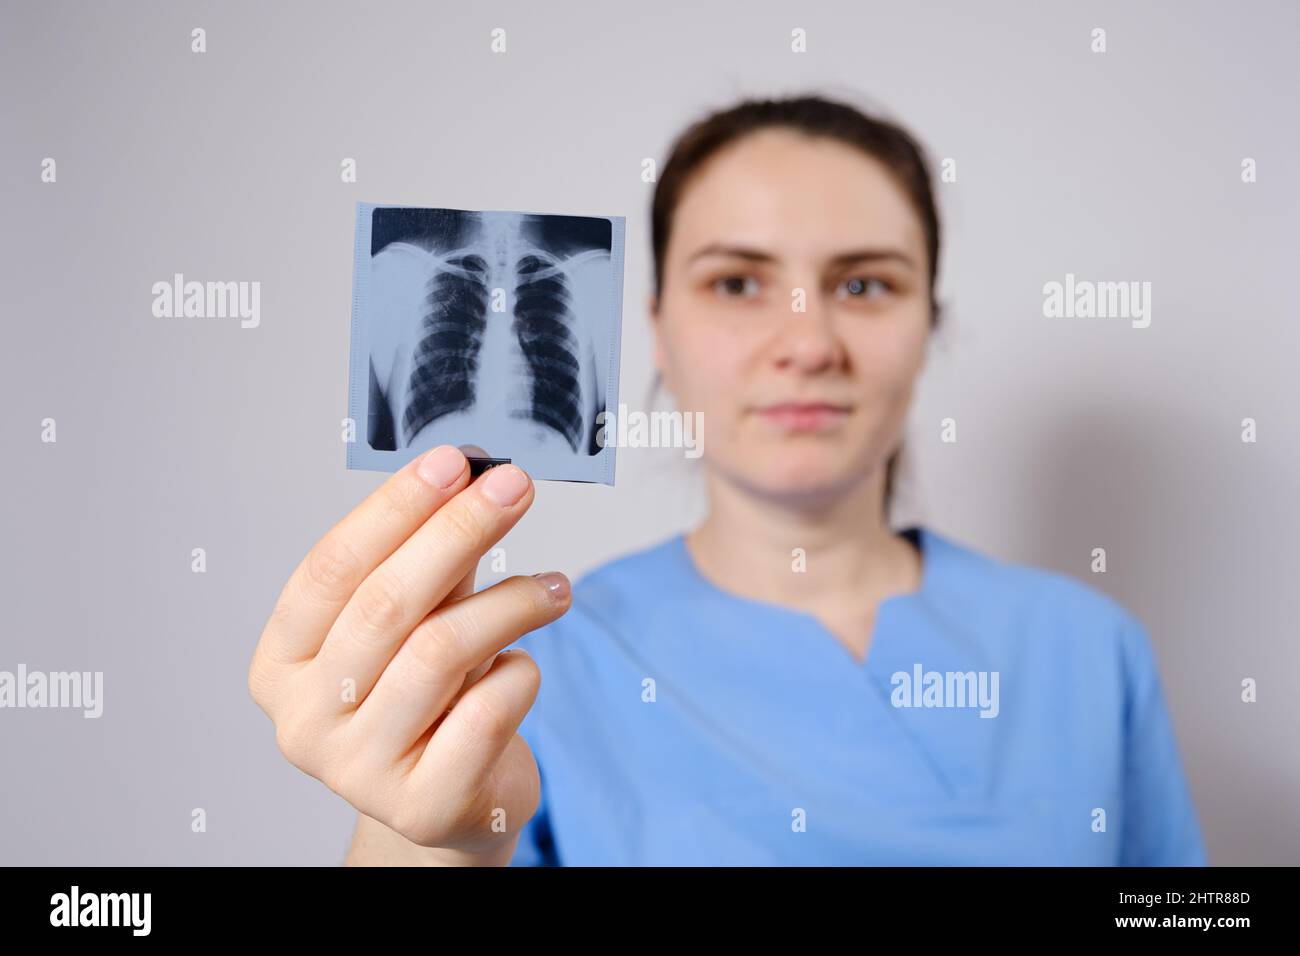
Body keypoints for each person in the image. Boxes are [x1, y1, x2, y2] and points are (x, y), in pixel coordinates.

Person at [248, 93, 1207, 866]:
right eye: (738, 283)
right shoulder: (527, 667)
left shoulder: (1090, 655)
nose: (808, 344)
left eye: (865, 283)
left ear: (930, 324)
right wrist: (431, 846)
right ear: (656, 329)